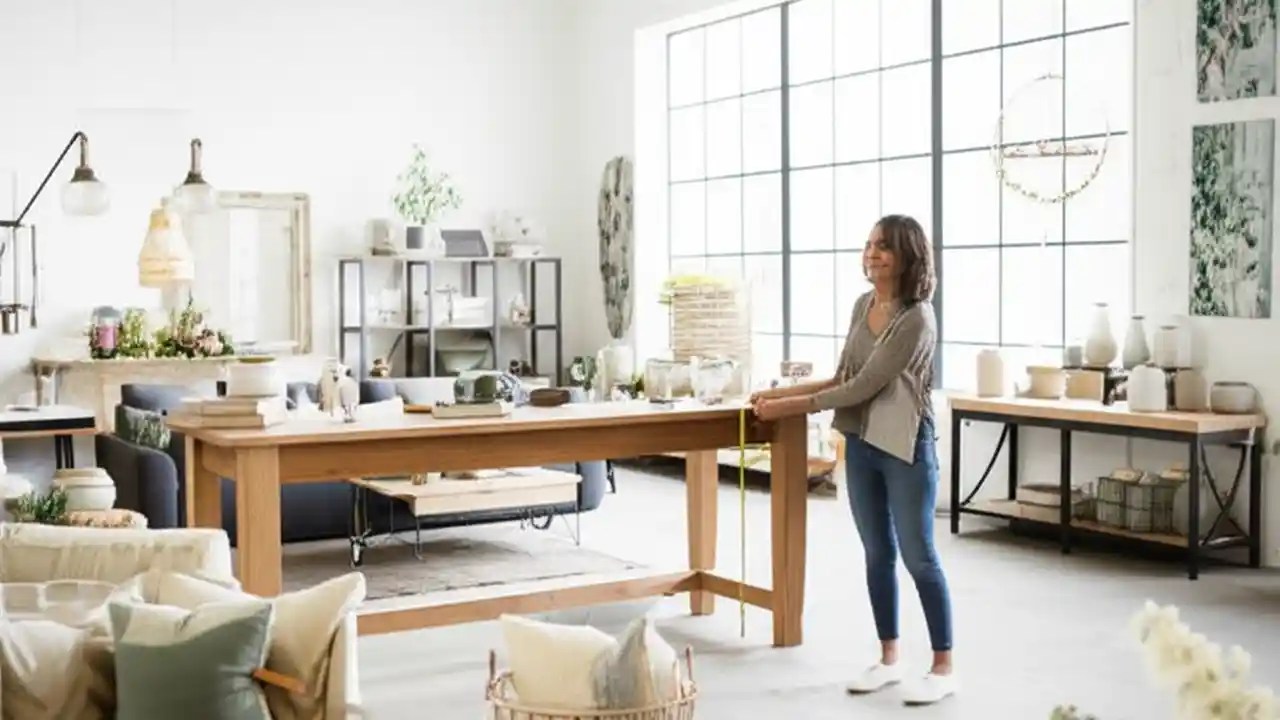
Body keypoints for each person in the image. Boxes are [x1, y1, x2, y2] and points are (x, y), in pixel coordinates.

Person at [752, 214, 956, 706]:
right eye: (868, 245)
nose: (872, 254)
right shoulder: (862, 305)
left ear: (908, 255)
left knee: (919, 555)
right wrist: (780, 392)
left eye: (884, 247)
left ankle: (944, 667)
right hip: (862, 442)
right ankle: (889, 659)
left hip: (906, 445)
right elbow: (844, 373)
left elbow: (866, 385)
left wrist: (785, 408)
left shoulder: (917, 318)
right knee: (876, 554)